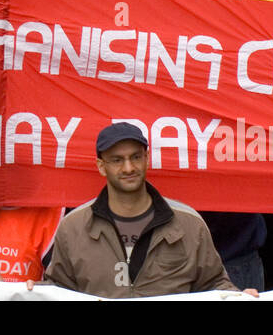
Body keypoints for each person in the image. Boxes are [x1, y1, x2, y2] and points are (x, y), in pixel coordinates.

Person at [42, 123, 242, 298]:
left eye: (136, 157)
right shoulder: (74, 227)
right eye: (117, 160)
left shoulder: (188, 223)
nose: (128, 168)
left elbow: (214, 286)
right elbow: (58, 290)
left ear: (146, 158)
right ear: (101, 166)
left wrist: (237, 297)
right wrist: (34, 292)